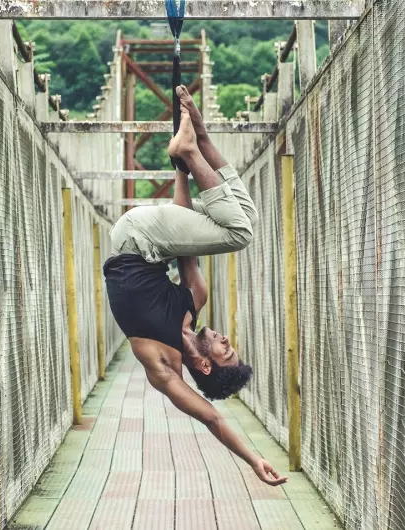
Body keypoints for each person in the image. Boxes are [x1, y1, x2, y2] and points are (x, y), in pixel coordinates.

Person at [103, 85, 287, 487]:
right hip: (152, 234)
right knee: (245, 215)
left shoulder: (164, 367)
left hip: (136, 238)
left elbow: (213, 418)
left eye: (225, 349)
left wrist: (253, 460)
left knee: (239, 233)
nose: (223, 338)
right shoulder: (195, 302)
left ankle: (191, 147)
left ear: (205, 365)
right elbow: (183, 230)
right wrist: (182, 170)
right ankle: (199, 140)